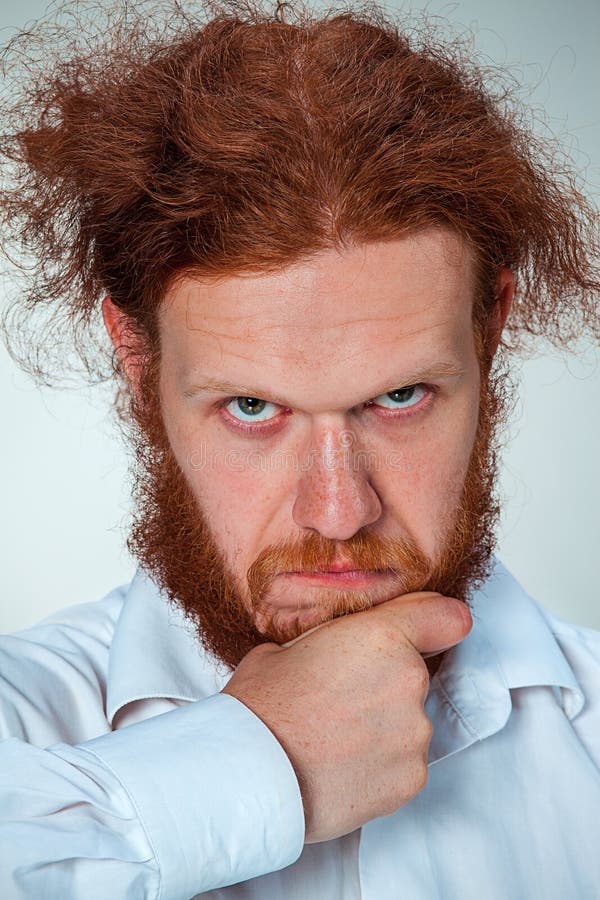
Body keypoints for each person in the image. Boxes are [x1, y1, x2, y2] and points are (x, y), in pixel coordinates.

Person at [0, 0, 599, 897]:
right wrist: (261, 761)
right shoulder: (22, 715)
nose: (339, 512)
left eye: (399, 397)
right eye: (253, 407)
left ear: (490, 331)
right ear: (137, 360)